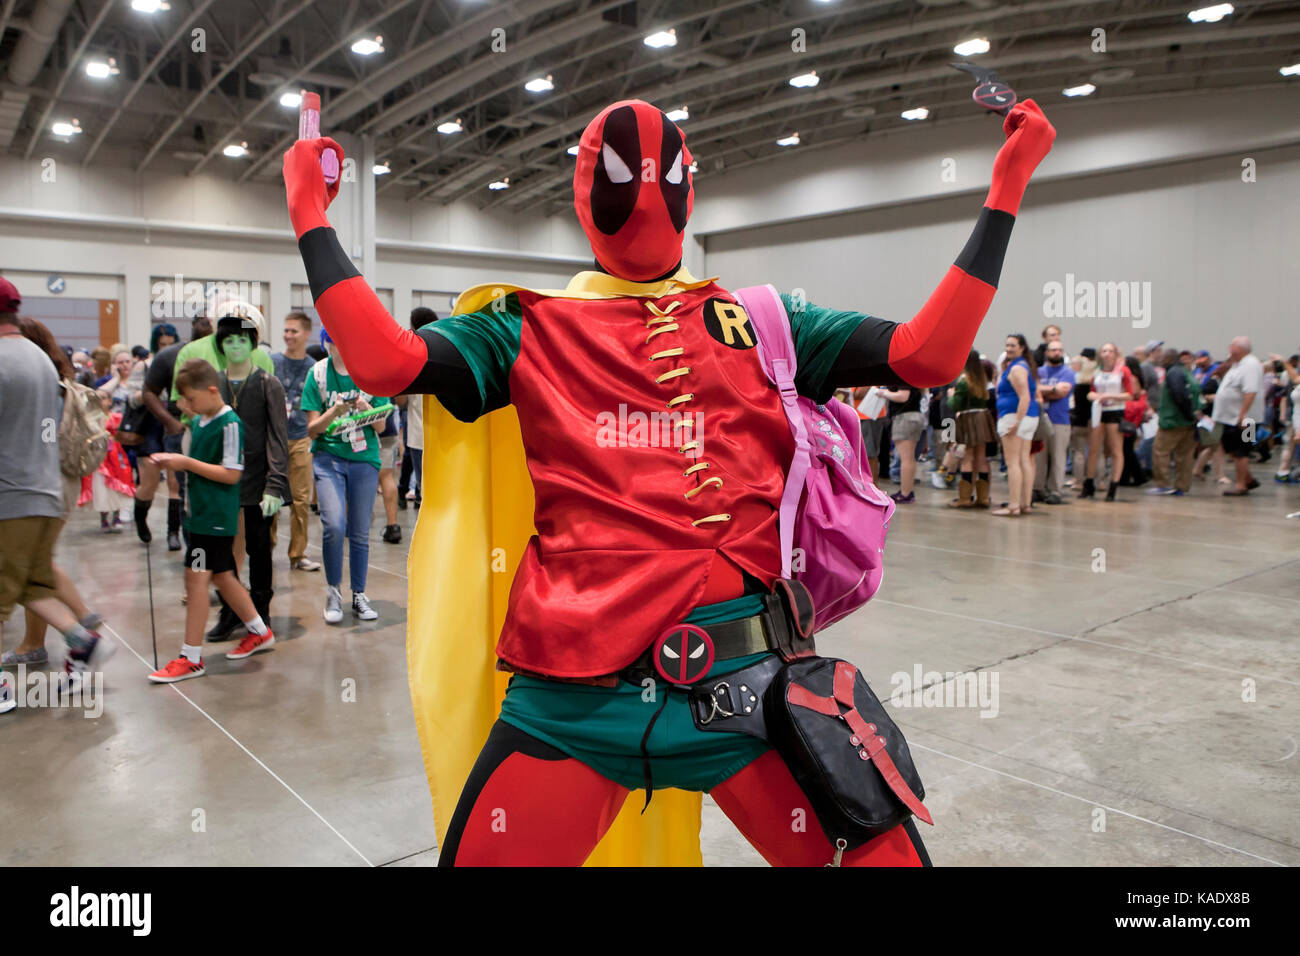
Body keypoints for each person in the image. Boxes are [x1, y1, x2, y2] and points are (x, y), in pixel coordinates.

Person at [284, 95, 1055, 865]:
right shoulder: (530, 323)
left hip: (751, 694)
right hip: (583, 701)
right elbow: (383, 363)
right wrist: (1006, 186)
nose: (646, 193)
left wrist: (311, 215)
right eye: (628, 175)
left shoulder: (756, 320)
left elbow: (930, 356)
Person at [0, 279, 113, 708]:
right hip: (46, 492)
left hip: (9, 495)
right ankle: (82, 638)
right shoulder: (41, 360)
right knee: (31, 582)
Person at [145, 359, 276, 682]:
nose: (186, 406)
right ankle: (259, 631)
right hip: (201, 515)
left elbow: (232, 474)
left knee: (197, 579)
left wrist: (184, 462)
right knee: (222, 576)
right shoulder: (202, 420)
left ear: (212, 390)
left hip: (216, 519)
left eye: (191, 399)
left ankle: (191, 656)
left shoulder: (230, 424)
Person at [205, 316, 290, 637]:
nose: (236, 346)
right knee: (223, 550)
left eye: (242, 340)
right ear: (221, 345)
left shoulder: (269, 384)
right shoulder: (214, 383)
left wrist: (275, 485)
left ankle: (261, 614)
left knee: (259, 548)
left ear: (253, 344)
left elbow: (278, 439)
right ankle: (232, 612)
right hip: (222, 479)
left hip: (260, 480)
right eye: (229, 340)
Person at [302, 329, 392, 623]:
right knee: (334, 525)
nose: (338, 346)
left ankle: (359, 594)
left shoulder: (371, 373)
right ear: (327, 342)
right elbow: (313, 429)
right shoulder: (317, 374)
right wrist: (334, 410)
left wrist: (369, 410)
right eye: (333, 340)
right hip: (329, 458)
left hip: (364, 458)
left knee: (360, 530)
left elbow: (380, 429)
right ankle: (333, 591)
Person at [140, 317, 211, 551]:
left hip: (212, 431)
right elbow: (148, 392)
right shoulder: (171, 356)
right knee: (178, 487)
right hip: (178, 430)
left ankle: (206, 555)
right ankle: (184, 543)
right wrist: (170, 422)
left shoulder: (223, 354)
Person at [271, 311, 321, 571]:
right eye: (286, 330)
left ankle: (298, 553)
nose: (288, 335)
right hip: (274, 440)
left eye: (294, 331)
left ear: (306, 334)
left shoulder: (314, 367)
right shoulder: (272, 362)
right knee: (271, 498)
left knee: (301, 499)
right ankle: (266, 549)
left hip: (301, 437)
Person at [130, 322, 179, 543]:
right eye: (161, 344)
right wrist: (149, 392)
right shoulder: (144, 366)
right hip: (150, 425)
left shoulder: (181, 360)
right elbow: (130, 397)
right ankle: (140, 517)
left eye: (169, 344)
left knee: (175, 482)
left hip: (174, 422)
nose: (165, 348)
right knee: (148, 483)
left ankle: (173, 532)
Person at [992, 334, 1039, 517]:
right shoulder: (1022, 366)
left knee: (1013, 463)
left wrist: (1017, 421)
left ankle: (1014, 505)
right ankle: (1025, 503)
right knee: (1024, 460)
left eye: (1013, 345)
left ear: (1022, 348)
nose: (1009, 348)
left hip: (1015, 417)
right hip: (1027, 417)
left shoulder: (1017, 368)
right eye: (1007, 345)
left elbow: (1025, 396)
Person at [397, 308, 438, 512]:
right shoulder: (445, 352)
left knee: (426, 494)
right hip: (439, 436)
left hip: (420, 436)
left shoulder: (409, 356)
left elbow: (401, 401)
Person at [1081, 342, 1133, 502]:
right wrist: (1093, 396)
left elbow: (1129, 394)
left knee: (1116, 449)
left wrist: (1109, 397)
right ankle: (1089, 483)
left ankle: (1114, 485)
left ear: (1116, 354)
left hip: (1114, 411)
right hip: (1098, 411)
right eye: (1104, 351)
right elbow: (1091, 391)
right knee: (1094, 448)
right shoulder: (1096, 371)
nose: (1107, 353)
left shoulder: (1123, 371)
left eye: (1110, 351)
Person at [1147, 347, 1202, 496]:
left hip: (1173, 421)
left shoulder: (1173, 373)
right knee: (1185, 455)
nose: (1161, 359)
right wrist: (1191, 416)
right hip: (1188, 422)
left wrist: (1186, 413)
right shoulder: (1186, 372)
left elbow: (1179, 394)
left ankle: (1162, 484)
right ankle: (1182, 486)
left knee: (1160, 451)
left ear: (1170, 358)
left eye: (1163, 357)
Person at [1214, 336, 1265, 496]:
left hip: (1247, 420)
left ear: (1240, 349)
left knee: (1241, 451)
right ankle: (1248, 479)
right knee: (1233, 450)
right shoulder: (1237, 365)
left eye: (1232, 346)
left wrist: (1243, 414)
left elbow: (1250, 391)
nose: (1229, 349)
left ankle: (1241, 485)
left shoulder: (1250, 365)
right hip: (1231, 419)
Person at [946, 350, 996, 508]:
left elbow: (956, 405)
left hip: (968, 420)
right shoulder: (982, 379)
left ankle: (964, 498)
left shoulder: (963, 380)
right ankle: (983, 498)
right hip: (983, 419)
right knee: (982, 459)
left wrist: (951, 396)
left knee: (967, 458)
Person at [1033, 338, 1074, 504]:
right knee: (1039, 456)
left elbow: (1062, 392)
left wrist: (1044, 392)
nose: (1057, 352)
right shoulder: (1039, 372)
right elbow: (1034, 391)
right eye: (1054, 350)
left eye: (1059, 350)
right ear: (1047, 353)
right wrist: (1052, 390)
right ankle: (1038, 488)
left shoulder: (1067, 372)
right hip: (1041, 418)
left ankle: (1056, 490)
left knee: (1058, 456)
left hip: (1060, 419)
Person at [879, 383, 923, 504]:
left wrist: (883, 393)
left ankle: (905, 493)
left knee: (906, 459)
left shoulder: (904, 377)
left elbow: (903, 396)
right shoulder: (913, 378)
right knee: (909, 458)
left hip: (904, 418)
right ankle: (907, 491)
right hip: (912, 417)